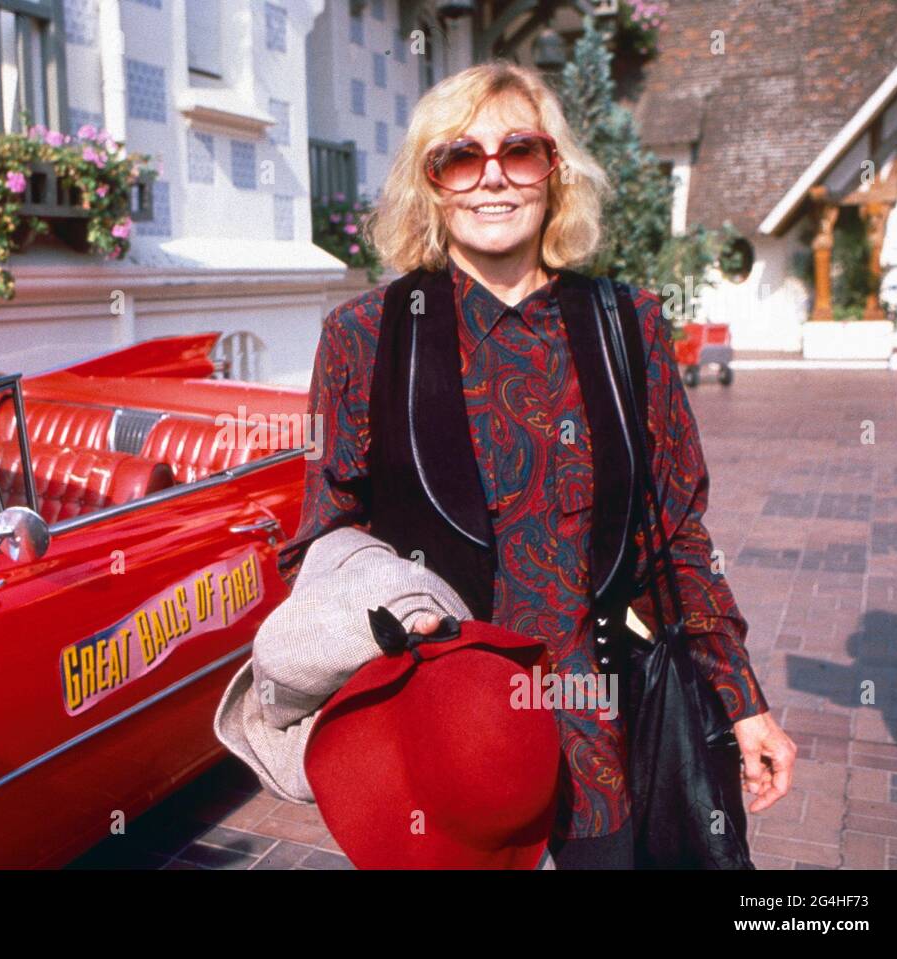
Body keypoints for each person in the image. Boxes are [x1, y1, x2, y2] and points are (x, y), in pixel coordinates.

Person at [277, 62, 796, 868]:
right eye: (461, 158)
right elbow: (323, 536)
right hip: (454, 743)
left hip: (603, 731)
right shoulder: (364, 337)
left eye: (519, 152)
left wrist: (743, 701)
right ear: (431, 184)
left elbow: (677, 536)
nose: (492, 179)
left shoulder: (630, 325)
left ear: (555, 174)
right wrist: (392, 612)